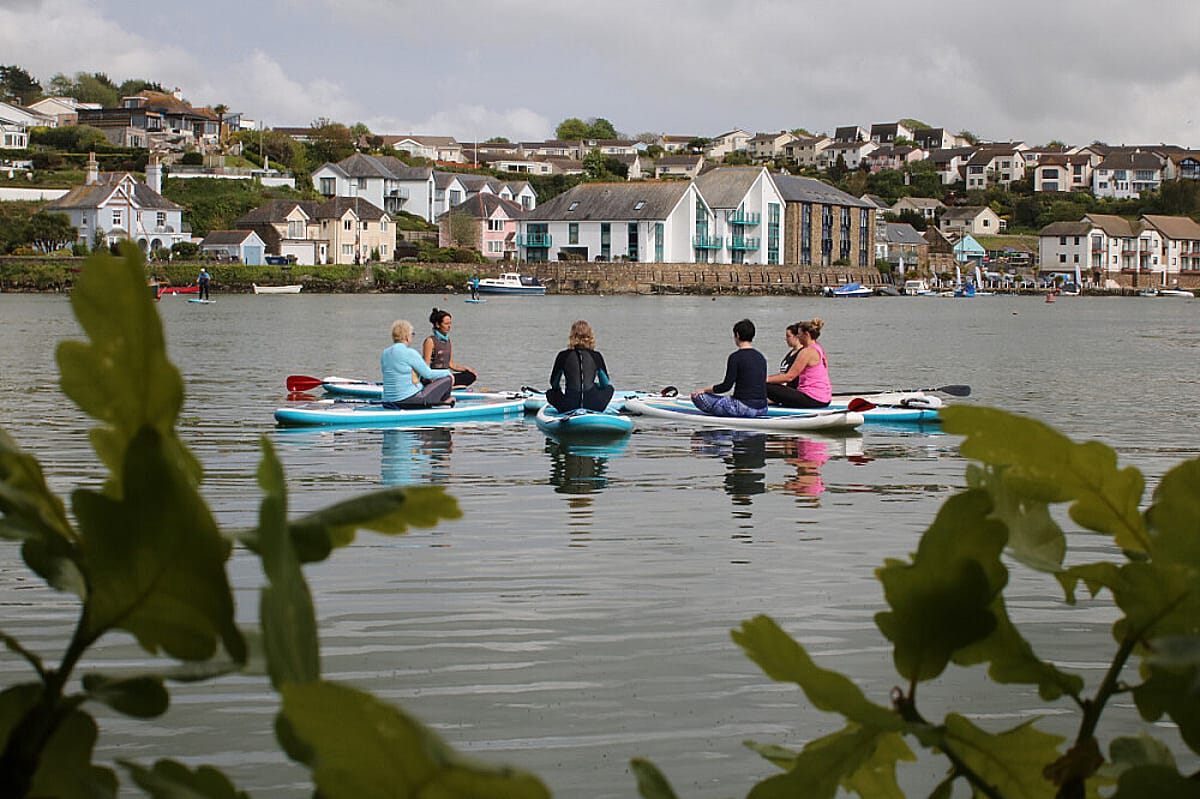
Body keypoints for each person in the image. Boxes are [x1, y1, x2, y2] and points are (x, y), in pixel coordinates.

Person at [691, 318, 768, 417]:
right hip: (762, 408)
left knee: (698, 396)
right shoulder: (761, 357)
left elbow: (726, 386)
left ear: (737, 335)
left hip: (743, 408)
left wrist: (704, 390)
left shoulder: (735, 357)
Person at [380, 319, 454, 408]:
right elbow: (428, 374)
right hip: (410, 401)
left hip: (388, 401)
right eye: (412, 334)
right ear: (407, 336)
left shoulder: (385, 353)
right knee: (447, 379)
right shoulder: (410, 353)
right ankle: (444, 402)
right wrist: (447, 372)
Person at [546, 320, 614, 413]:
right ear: (590, 336)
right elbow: (605, 384)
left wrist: (563, 392)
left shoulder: (562, 356)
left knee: (550, 393)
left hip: (569, 405)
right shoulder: (596, 356)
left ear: (572, 336)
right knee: (610, 389)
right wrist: (595, 385)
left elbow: (554, 384)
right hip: (594, 405)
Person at [765, 318, 832, 408]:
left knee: (765, 386)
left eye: (799, 335)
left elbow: (789, 377)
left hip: (812, 398)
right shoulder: (819, 348)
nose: (798, 337)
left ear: (806, 335)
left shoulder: (807, 352)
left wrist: (764, 379)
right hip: (824, 398)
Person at [422, 308, 477, 388]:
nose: (449, 326)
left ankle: (450, 386)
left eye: (450, 323)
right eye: (446, 323)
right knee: (443, 380)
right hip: (434, 378)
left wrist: (467, 369)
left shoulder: (448, 341)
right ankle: (448, 386)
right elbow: (425, 366)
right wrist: (431, 378)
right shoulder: (430, 341)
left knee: (470, 375)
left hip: (446, 377)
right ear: (438, 324)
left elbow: (451, 364)